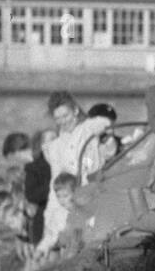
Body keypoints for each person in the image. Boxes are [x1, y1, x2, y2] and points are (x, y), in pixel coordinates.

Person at [42, 93, 107, 232]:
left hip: (95, 195)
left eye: (65, 116)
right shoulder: (57, 145)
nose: (63, 122)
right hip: (72, 202)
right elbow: (56, 180)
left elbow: (104, 123)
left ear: (76, 111)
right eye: (58, 118)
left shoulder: (89, 128)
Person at [35, 172, 78, 259]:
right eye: (58, 196)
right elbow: (51, 234)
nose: (61, 200)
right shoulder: (57, 214)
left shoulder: (83, 210)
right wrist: (41, 249)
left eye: (65, 196)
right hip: (66, 252)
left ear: (76, 193)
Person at [23, 130, 54, 244]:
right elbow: (31, 195)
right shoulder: (33, 167)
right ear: (42, 145)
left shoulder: (66, 161)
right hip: (44, 215)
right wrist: (52, 186)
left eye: (56, 139)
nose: (54, 143)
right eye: (50, 140)